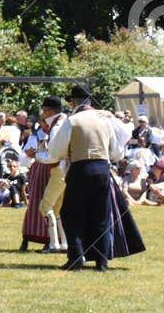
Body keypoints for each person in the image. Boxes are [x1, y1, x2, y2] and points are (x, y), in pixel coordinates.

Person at [47, 95, 145, 271]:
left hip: (80, 168)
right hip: (102, 169)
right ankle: (101, 262)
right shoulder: (105, 121)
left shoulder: (72, 121)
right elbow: (116, 152)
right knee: (101, 216)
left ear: (75, 105)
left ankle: (76, 257)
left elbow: (56, 150)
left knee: (71, 214)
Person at [20, 96, 68, 254]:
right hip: (60, 170)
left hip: (57, 169)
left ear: (49, 111)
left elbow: (53, 154)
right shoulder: (63, 122)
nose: (43, 116)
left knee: (45, 206)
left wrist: (38, 155)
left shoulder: (56, 126)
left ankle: (54, 244)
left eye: (45, 111)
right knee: (57, 209)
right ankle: (64, 244)